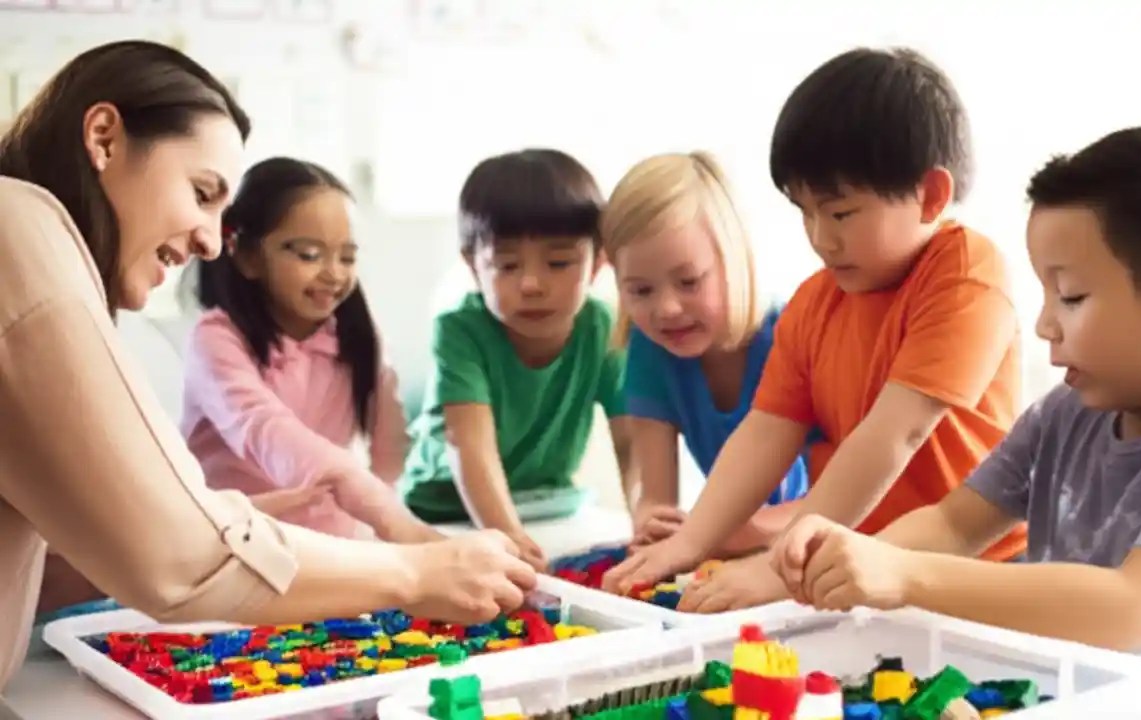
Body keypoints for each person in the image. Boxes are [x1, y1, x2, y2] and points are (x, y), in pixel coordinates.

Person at [0, 40, 533, 690]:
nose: (206, 239)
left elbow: (72, 548)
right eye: (201, 193)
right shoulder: (17, 232)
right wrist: (414, 571)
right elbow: (182, 559)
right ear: (105, 138)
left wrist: (234, 522)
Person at [775, 119, 1141, 659]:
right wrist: (849, 558)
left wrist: (903, 574)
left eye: (1072, 296)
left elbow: (1128, 607)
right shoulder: (1066, 413)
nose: (1044, 324)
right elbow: (952, 525)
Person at [603, 47, 1024, 610]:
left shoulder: (967, 274)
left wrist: (779, 570)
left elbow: (895, 434)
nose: (820, 237)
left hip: (975, 569)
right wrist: (690, 541)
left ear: (930, 196)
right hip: (856, 565)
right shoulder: (815, 301)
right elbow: (764, 433)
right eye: (804, 212)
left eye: (840, 213)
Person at [401, 149, 631, 571]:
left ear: (599, 261)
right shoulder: (460, 329)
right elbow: (468, 443)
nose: (530, 284)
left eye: (559, 262)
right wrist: (506, 534)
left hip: (548, 503)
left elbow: (632, 436)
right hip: (444, 510)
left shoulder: (602, 325)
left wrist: (646, 517)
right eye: (506, 265)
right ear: (473, 266)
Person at [184, 156, 434, 543]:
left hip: (335, 540)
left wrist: (390, 522)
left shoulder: (358, 338)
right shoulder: (216, 340)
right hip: (241, 541)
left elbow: (389, 452)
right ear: (248, 256)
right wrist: (387, 518)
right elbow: (267, 431)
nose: (333, 273)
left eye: (347, 257)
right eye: (309, 255)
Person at [600, 151, 809, 560]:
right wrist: (651, 517)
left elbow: (864, 495)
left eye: (689, 281)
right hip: (740, 549)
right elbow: (653, 490)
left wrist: (749, 527)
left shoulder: (795, 338)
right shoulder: (650, 350)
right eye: (641, 290)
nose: (667, 309)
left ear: (735, 261)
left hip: (829, 545)